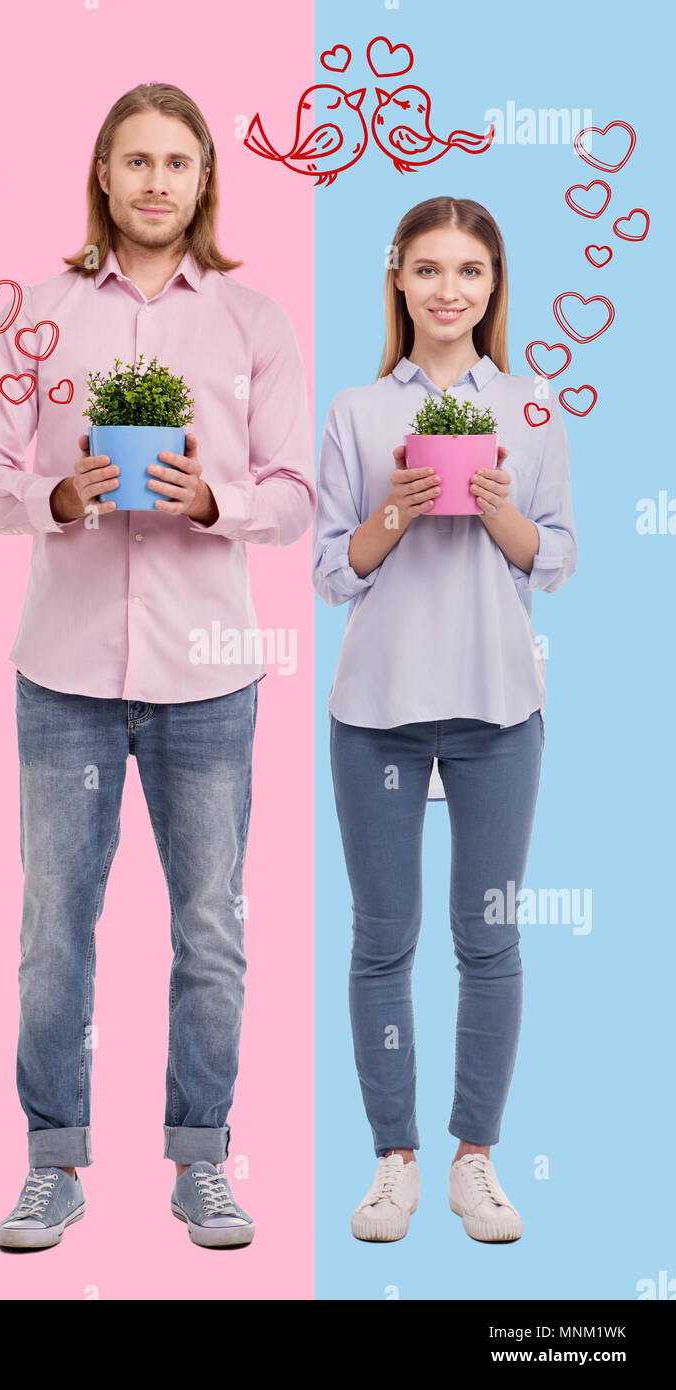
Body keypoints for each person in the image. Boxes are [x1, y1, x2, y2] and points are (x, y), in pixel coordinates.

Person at [0, 83, 315, 1251]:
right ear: (101, 177)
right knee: (54, 925)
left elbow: (300, 495)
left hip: (206, 672)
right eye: (136, 161)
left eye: (178, 162)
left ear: (205, 179)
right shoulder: (36, 313)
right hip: (59, 673)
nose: (157, 181)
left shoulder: (255, 322)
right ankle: (51, 1163)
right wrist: (52, 496)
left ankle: (198, 1161)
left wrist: (213, 500)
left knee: (209, 926)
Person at [312, 196, 577, 1244]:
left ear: (493, 285)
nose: (447, 289)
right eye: (426, 269)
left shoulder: (533, 404)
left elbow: (552, 556)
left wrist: (499, 504)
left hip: (496, 704)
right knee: (382, 940)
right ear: (396, 281)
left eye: (468, 271)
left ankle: (474, 1156)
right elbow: (332, 569)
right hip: (376, 709)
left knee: (489, 935)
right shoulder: (356, 412)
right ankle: (393, 1161)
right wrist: (396, 509)